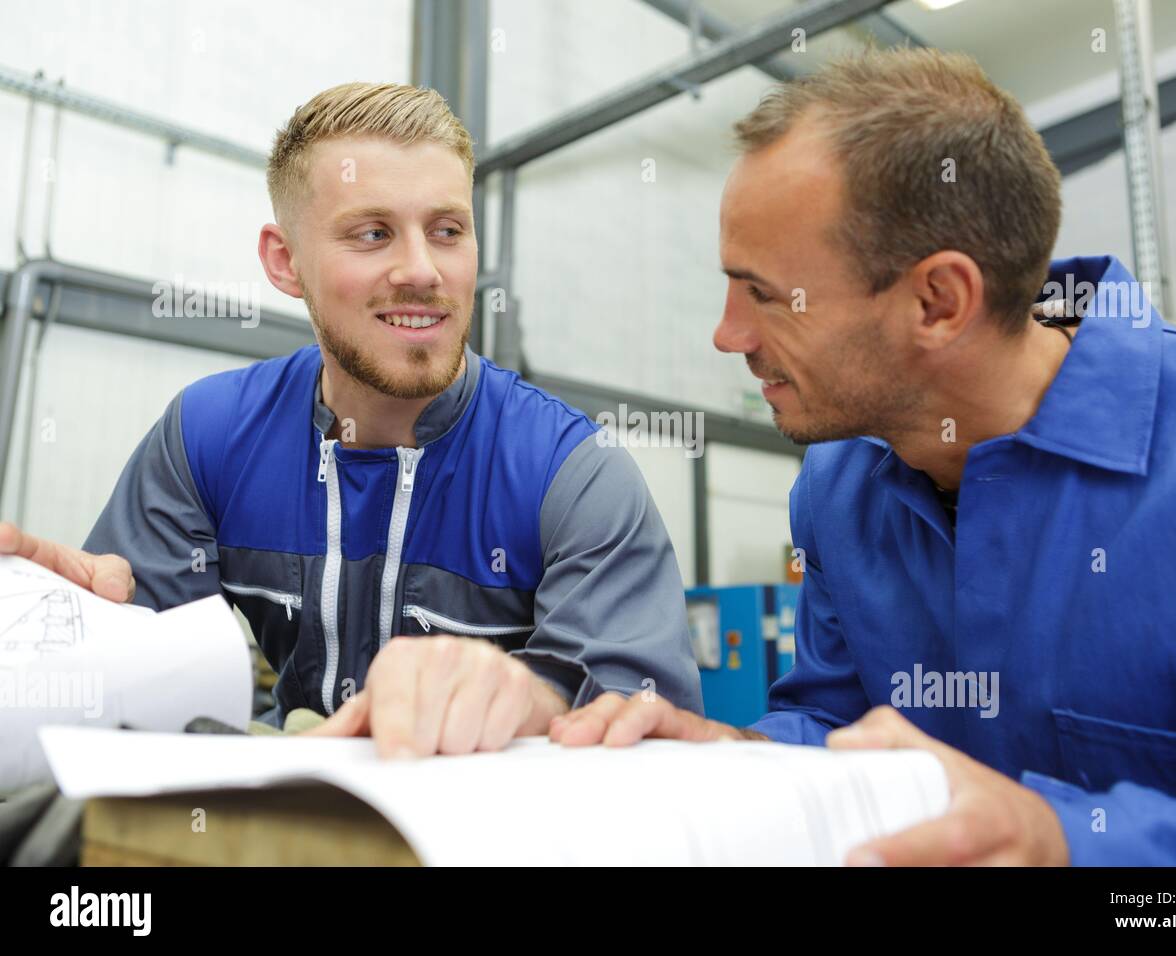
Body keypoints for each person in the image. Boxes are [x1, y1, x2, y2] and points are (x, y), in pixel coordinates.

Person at [552, 48, 1176, 866]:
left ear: (939, 302)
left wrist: (1068, 849)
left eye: (765, 294)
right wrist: (731, 756)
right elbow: (836, 732)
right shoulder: (837, 488)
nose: (728, 335)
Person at [4, 81, 702, 757]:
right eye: (373, 233)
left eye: (448, 230)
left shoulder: (571, 474)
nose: (423, 270)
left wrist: (530, 702)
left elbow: (645, 741)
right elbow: (123, 705)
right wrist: (45, 636)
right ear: (286, 262)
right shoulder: (206, 436)